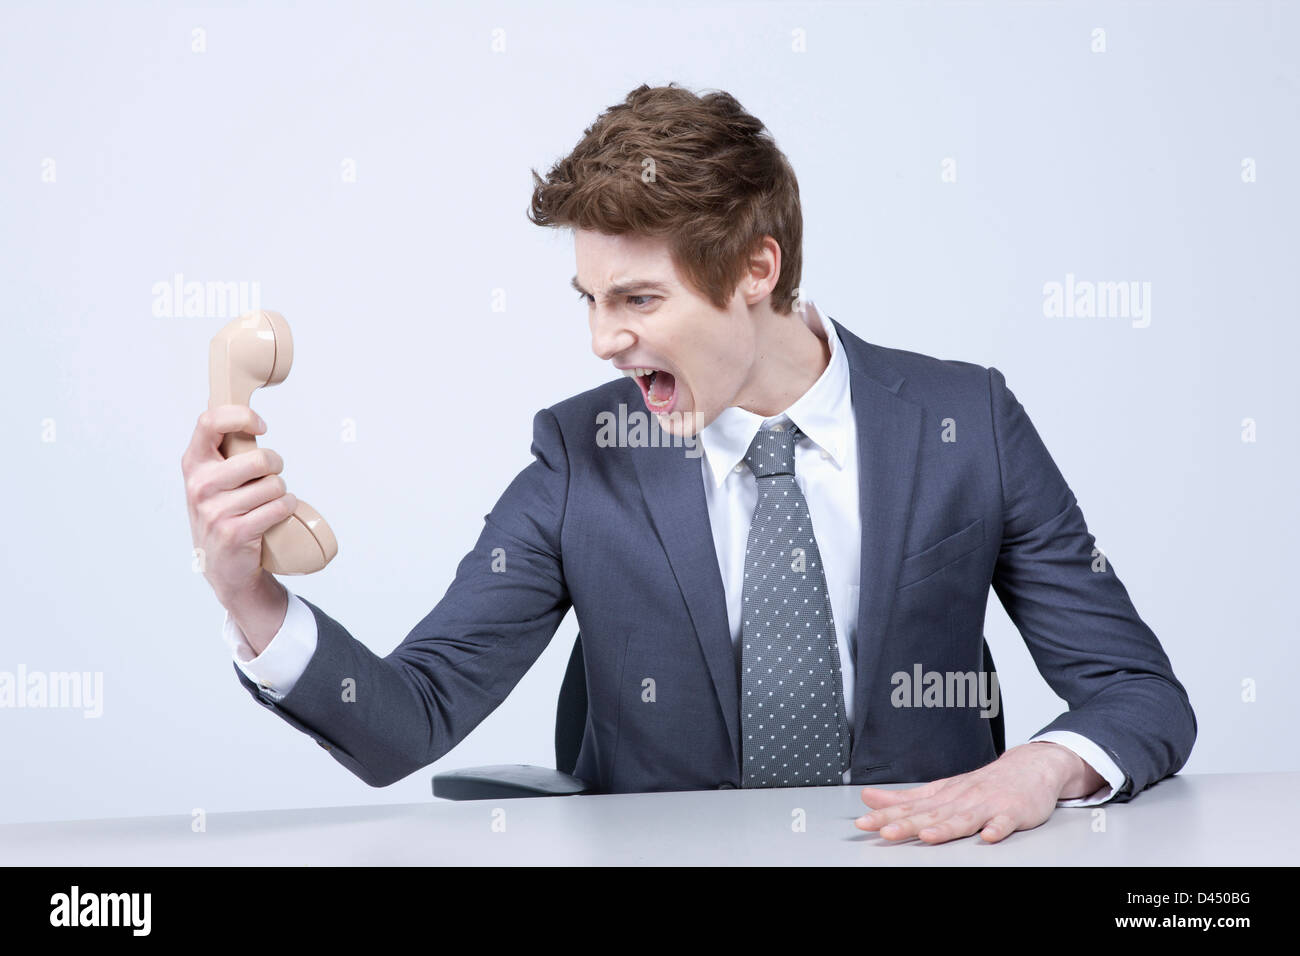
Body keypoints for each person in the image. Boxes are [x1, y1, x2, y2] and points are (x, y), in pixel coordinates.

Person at [182, 83, 1195, 844]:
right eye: (588, 299)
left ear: (756, 268)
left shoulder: (962, 418)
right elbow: (409, 719)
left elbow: (1137, 692)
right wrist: (251, 595)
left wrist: (1046, 766)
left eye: (637, 299)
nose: (603, 342)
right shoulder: (580, 456)